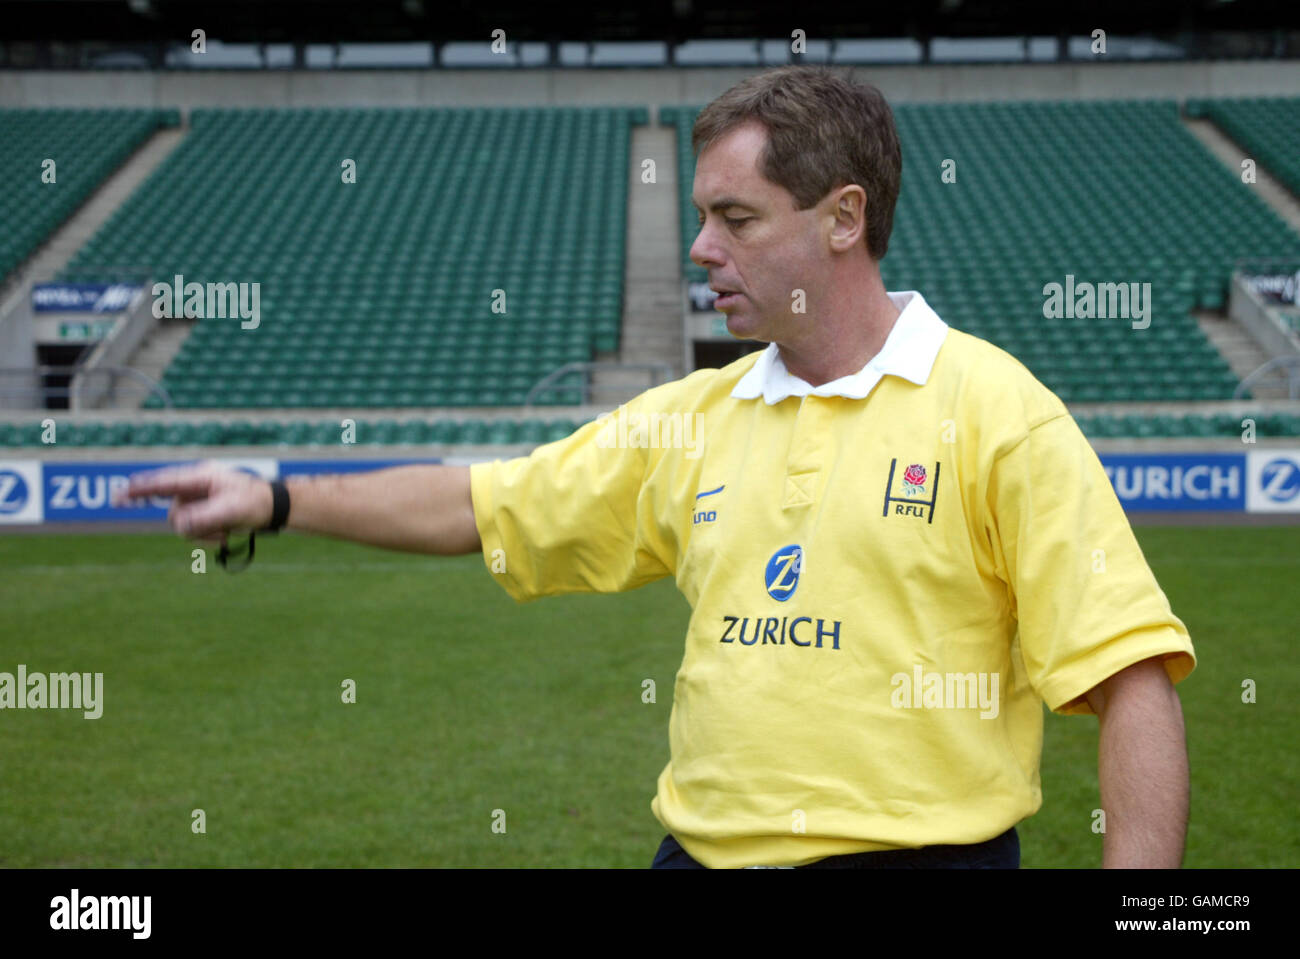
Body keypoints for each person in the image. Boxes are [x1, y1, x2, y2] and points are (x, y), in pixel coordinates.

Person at [117, 66, 1195, 869]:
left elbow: (1129, 680)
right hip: (697, 854)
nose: (700, 251)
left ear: (843, 219)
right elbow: (479, 499)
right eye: (698, 219)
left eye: (734, 219)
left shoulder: (997, 411)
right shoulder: (692, 417)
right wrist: (278, 493)